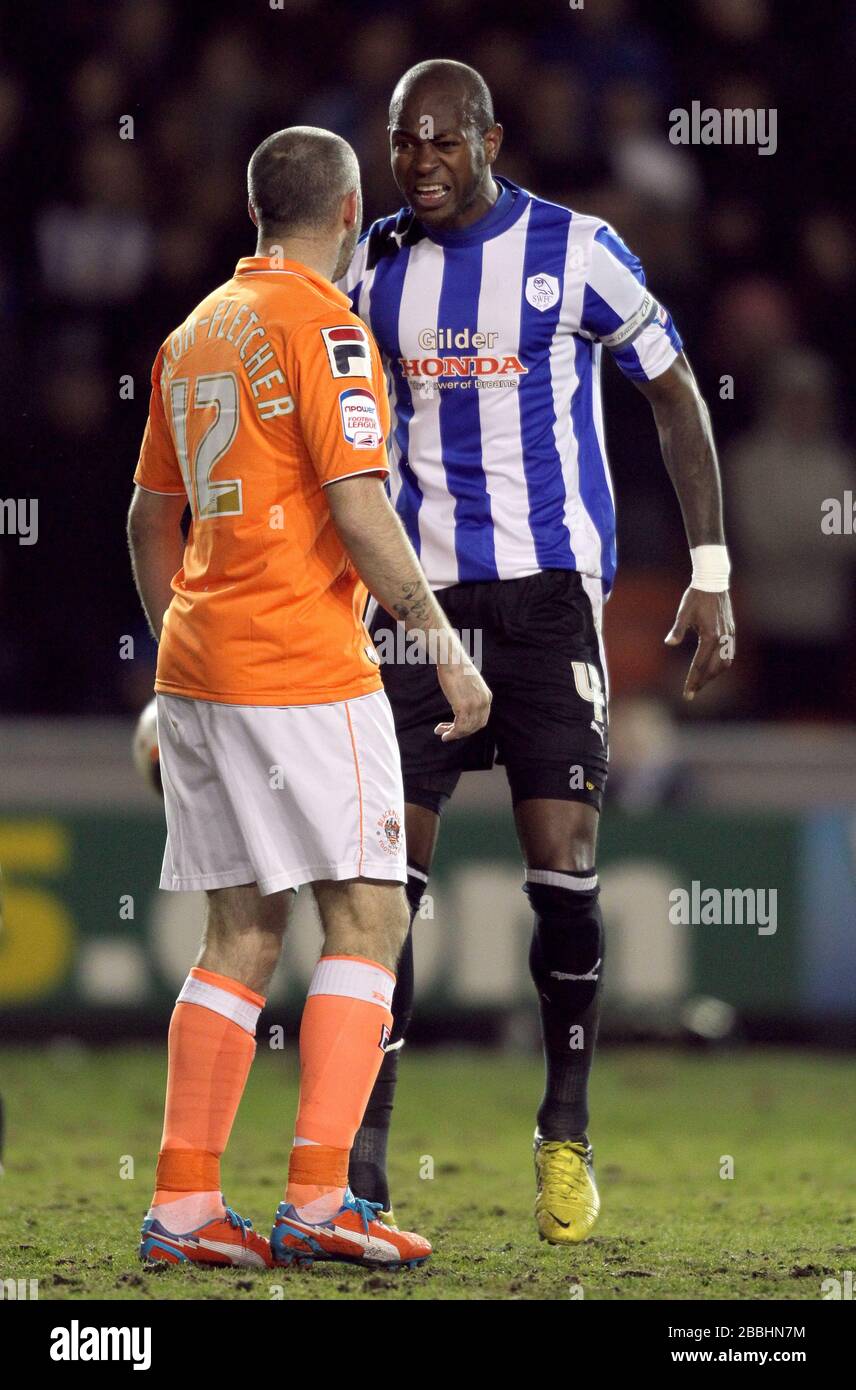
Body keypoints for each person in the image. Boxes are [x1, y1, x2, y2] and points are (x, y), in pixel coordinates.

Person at [339, 61, 735, 1243]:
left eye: (442, 142)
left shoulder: (579, 249)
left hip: (552, 605)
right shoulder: (375, 266)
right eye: (404, 143)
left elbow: (674, 394)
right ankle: (362, 1158)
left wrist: (710, 570)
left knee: (561, 868)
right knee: (382, 895)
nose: (419, 162)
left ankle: (564, 1131)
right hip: (419, 608)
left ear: (491, 140)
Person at [127, 124, 490, 1271]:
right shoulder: (329, 328)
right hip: (300, 668)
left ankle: (185, 1205)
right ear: (348, 214)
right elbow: (358, 506)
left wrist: (173, 647)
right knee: (370, 915)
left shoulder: (192, 334)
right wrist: (441, 643)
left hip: (199, 666)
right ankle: (323, 1194)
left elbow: (148, 521)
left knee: (237, 932)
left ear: (255, 213)